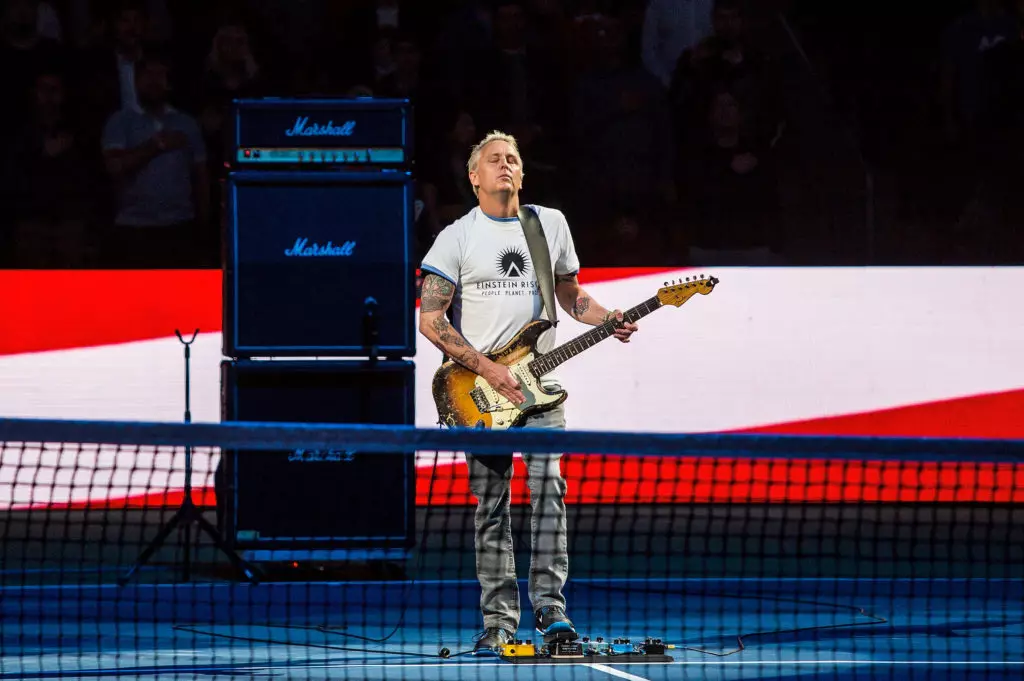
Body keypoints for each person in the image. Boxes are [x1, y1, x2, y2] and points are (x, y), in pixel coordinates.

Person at [417, 131, 638, 655]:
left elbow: (569, 294)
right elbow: (431, 318)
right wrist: (487, 368)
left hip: (540, 390)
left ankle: (551, 610)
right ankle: (498, 621)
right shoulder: (456, 237)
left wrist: (609, 318)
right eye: (493, 161)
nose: (505, 167)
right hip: (476, 391)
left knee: (550, 491)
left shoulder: (549, 225)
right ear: (474, 177)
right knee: (491, 506)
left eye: (512, 159)